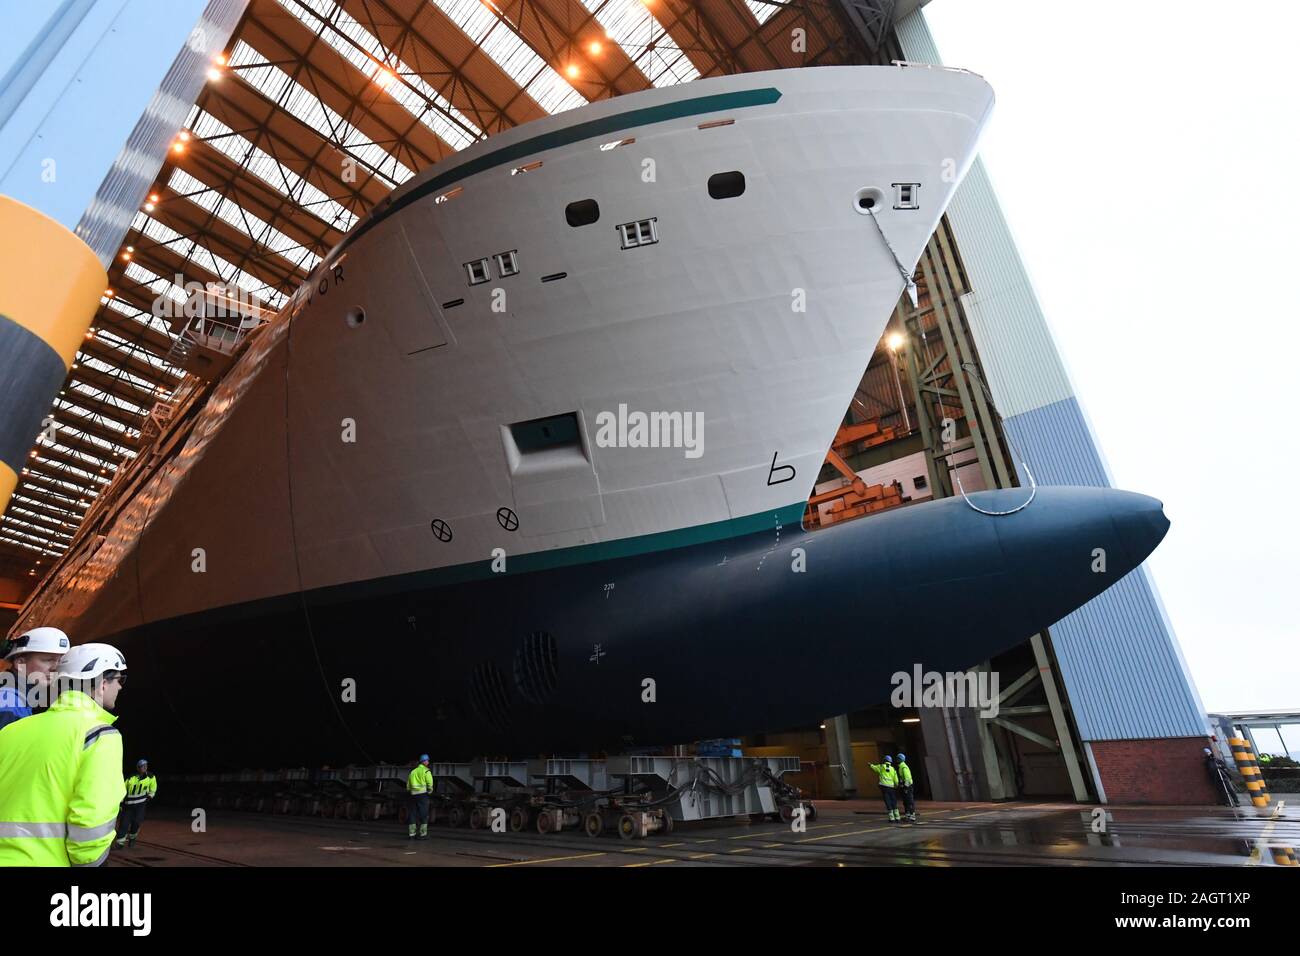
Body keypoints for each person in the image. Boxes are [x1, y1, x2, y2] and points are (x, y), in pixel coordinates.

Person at [0, 643, 128, 866]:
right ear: (101, 683)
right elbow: (91, 823)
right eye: (120, 679)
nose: (120, 687)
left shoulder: (12, 730)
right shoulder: (99, 735)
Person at [0, 626, 70, 730]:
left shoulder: (23, 696)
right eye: (47, 660)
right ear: (20, 663)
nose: (55, 668)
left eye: (59, 661)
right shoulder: (10, 703)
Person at [116, 759, 158, 848]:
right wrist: (120, 802)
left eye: (146, 765)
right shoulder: (131, 778)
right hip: (128, 805)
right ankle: (120, 843)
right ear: (138, 768)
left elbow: (153, 789)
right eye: (143, 766)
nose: (145, 767)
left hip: (140, 805)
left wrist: (150, 796)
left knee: (136, 822)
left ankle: (132, 839)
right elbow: (122, 790)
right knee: (124, 823)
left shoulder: (151, 777)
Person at [867, 754, 900, 822]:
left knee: (888, 801)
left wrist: (870, 765)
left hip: (884, 787)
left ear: (884, 760)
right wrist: (896, 785)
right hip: (892, 787)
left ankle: (892, 818)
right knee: (893, 801)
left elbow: (875, 768)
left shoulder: (881, 767)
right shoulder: (893, 769)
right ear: (890, 761)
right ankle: (897, 817)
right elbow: (896, 780)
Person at [407, 754, 433, 839]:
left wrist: (411, 791)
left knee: (413, 814)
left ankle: (411, 834)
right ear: (424, 762)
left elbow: (408, 785)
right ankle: (422, 834)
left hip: (413, 795)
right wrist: (429, 791)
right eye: (427, 760)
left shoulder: (413, 771)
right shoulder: (426, 771)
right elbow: (430, 783)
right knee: (423, 814)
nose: (428, 762)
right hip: (422, 795)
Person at [896, 752, 917, 822]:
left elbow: (907, 778)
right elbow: (902, 778)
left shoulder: (903, 767)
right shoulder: (901, 767)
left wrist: (905, 787)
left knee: (909, 801)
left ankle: (912, 816)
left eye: (897, 758)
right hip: (905, 786)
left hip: (908, 787)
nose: (896, 760)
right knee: (906, 801)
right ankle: (908, 815)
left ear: (900, 759)